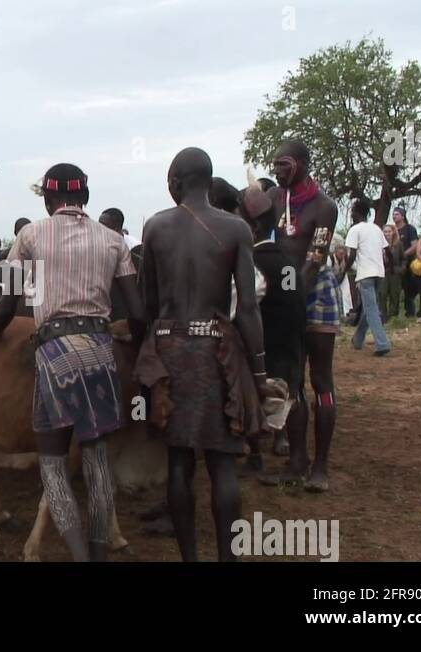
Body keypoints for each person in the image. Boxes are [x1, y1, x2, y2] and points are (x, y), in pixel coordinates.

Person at [0, 163, 146, 562]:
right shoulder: (114, 241)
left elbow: (7, 301)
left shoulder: (31, 234)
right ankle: (99, 553)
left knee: (54, 467)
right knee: (96, 462)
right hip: (100, 352)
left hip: (53, 351)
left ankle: (78, 555)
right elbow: (138, 313)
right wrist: (136, 343)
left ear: (46, 198)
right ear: (86, 198)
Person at [135, 148, 269, 562]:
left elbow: (147, 304)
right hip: (218, 351)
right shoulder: (236, 230)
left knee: (178, 461)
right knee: (223, 463)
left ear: (175, 181)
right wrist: (260, 374)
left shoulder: (155, 228)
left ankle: (190, 558)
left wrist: (147, 361)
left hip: (170, 349)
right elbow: (247, 309)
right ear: (208, 181)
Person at [259, 139, 340, 493]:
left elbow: (315, 257)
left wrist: (291, 298)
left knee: (320, 380)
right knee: (291, 380)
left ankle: (320, 468)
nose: (278, 171)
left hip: (315, 292)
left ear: (305, 163)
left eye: (285, 164)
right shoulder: (274, 199)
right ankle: (296, 462)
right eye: (275, 165)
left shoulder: (325, 207)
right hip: (284, 294)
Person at [237, 174, 305, 470]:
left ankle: (255, 453)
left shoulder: (251, 262)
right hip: (289, 339)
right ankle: (282, 440)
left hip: (262, 342)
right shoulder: (287, 259)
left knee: (255, 391)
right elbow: (294, 300)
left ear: (249, 226)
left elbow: (247, 304)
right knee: (289, 388)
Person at [345, 198, 391, 355]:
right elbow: (388, 250)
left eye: (352, 211)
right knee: (367, 307)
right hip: (379, 273)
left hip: (365, 274)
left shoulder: (355, 230)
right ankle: (358, 339)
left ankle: (382, 343)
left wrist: (343, 271)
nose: (351, 214)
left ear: (356, 213)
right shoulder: (376, 229)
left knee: (371, 309)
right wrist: (390, 266)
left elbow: (351, 255)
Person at [392, 206, 420, 317]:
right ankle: (393, 314)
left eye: (397, 214)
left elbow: (415, 245)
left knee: (408, 289)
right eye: (393, 214)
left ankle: (410, 313)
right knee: (394, 289)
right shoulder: (392, 230)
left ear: (403, 216)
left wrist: (403, 255)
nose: (394, 216)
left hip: (408, 263)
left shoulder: (410, 229)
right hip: (394, 264)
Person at [379, 224, 405, 320]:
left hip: (395, 272)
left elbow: (403, 258)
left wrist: (402, 269)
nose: (387, 234)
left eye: (389, 231)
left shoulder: (398, 244)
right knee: (382, 294)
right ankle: (382, 316)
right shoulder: (379, 244)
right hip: (383, 272)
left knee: (395, 294)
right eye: (385, 232)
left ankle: (393, 316)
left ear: (393, 232)